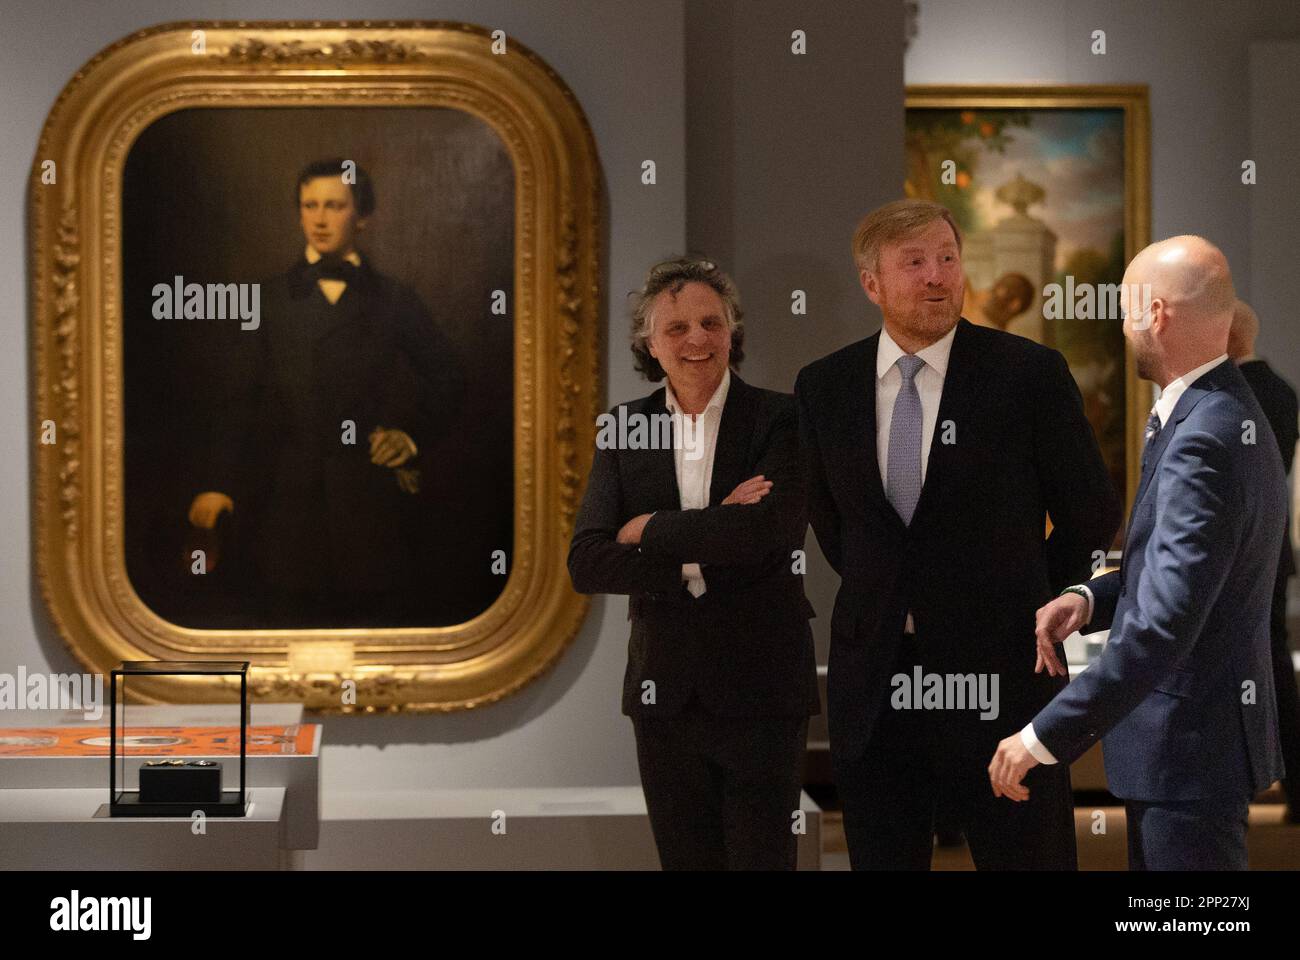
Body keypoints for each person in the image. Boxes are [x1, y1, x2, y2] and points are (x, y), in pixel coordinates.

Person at [795, 199, 1120, 870]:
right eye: (913, 262)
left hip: (1002, 674)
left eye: (947, 258)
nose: (937, 275)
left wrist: (1030, 597)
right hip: (877, 680)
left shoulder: (1027, 375)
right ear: (871, 283)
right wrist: (889, 587)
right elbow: (836, 523)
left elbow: (1091, 512)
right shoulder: (823, 388)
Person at [992, 237, 1288, 870]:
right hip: (1193, 750)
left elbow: (1161, 626)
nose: (1121, 324)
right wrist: (1087, 597)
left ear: (1154, 314)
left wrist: (1039, 738)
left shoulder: (1202, 436)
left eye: (1125, 307)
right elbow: (1185, 570)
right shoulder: (1218, 411)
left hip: (1187, 751)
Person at [568, 256, 819, 870]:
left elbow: (765, 534)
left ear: (732, 333)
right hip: (665, 689)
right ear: (650, 345)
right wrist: (706, 538)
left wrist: (648, 529)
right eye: (676, 328)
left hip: (764, 685)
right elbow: (587, 561)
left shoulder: (782, 418)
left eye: (711, 322)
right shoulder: (624, 428)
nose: (696, 339)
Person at [187, 158, 464, 626]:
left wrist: (411, 437)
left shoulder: (395, 300)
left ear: (362, 216)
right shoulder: (267, 300)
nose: (319, 218)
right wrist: (218, 482)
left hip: (370, 504)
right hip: (284, 506)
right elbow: (237, 402)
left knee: (375, 641)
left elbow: (450, 378)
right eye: (309, 205)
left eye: (334, 206)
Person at [1229, 299, 1299, 823]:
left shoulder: (1239, 394)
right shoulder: (1280, 390)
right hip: (1269, 553)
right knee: (1269, 666)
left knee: (1261, 667)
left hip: (1242, 556)